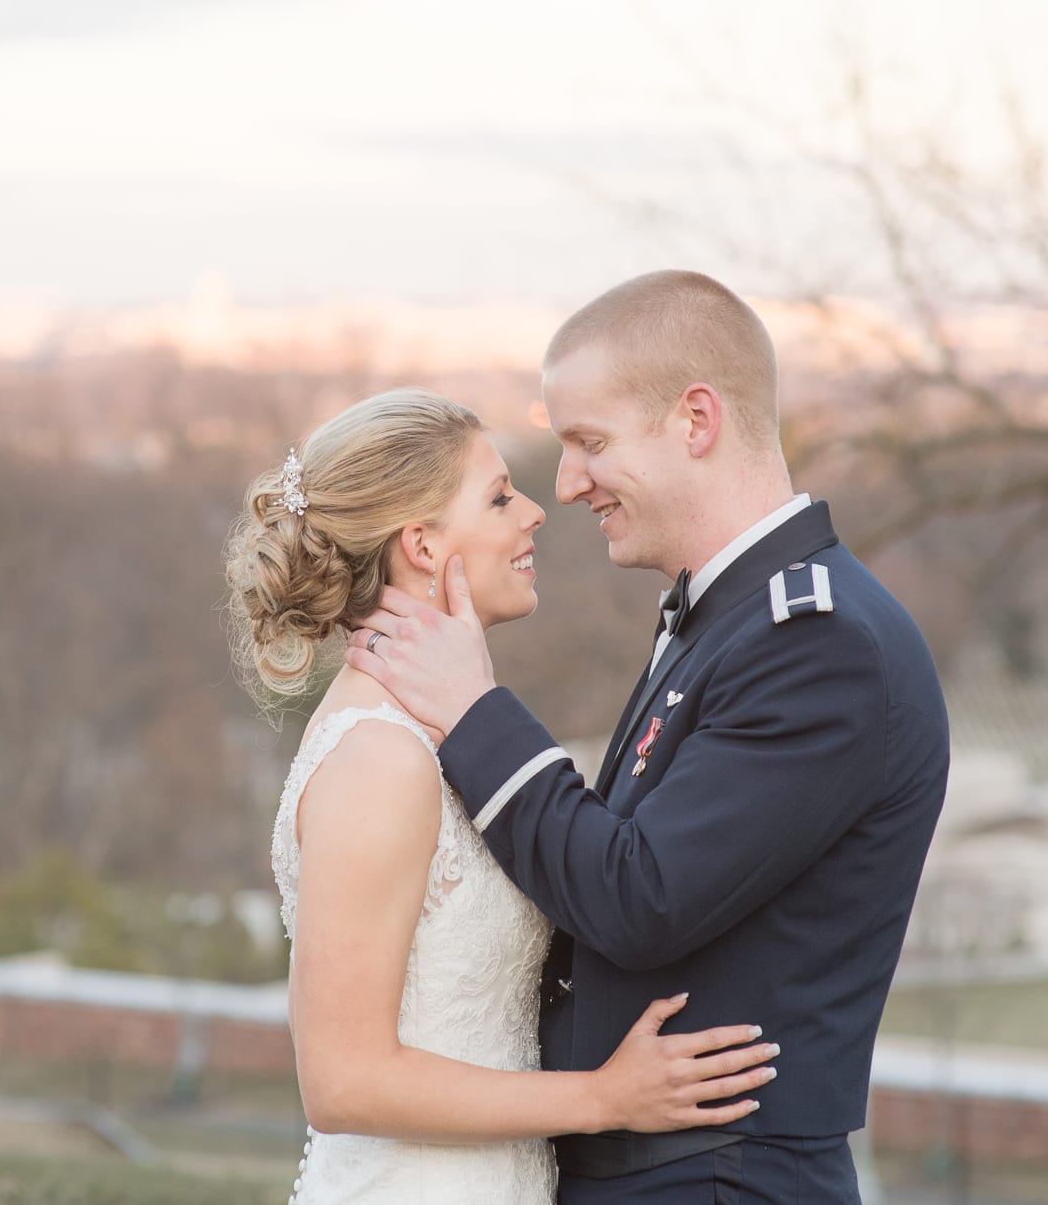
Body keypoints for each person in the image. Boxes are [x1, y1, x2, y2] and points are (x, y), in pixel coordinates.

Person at [348, 273, 950, 1204]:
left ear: (695, 419)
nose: (567, 482)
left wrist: (475, 714)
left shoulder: (821, 645)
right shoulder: (731, 620)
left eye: (590, 442)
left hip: (715, 1178)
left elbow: (642, 893)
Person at [226, 387, 778, 1204]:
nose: (535, 512)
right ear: (421, 542)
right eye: (497, 497)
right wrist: (607, 1097)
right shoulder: (380, 756)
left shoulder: (440, 732)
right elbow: (343, 1081)